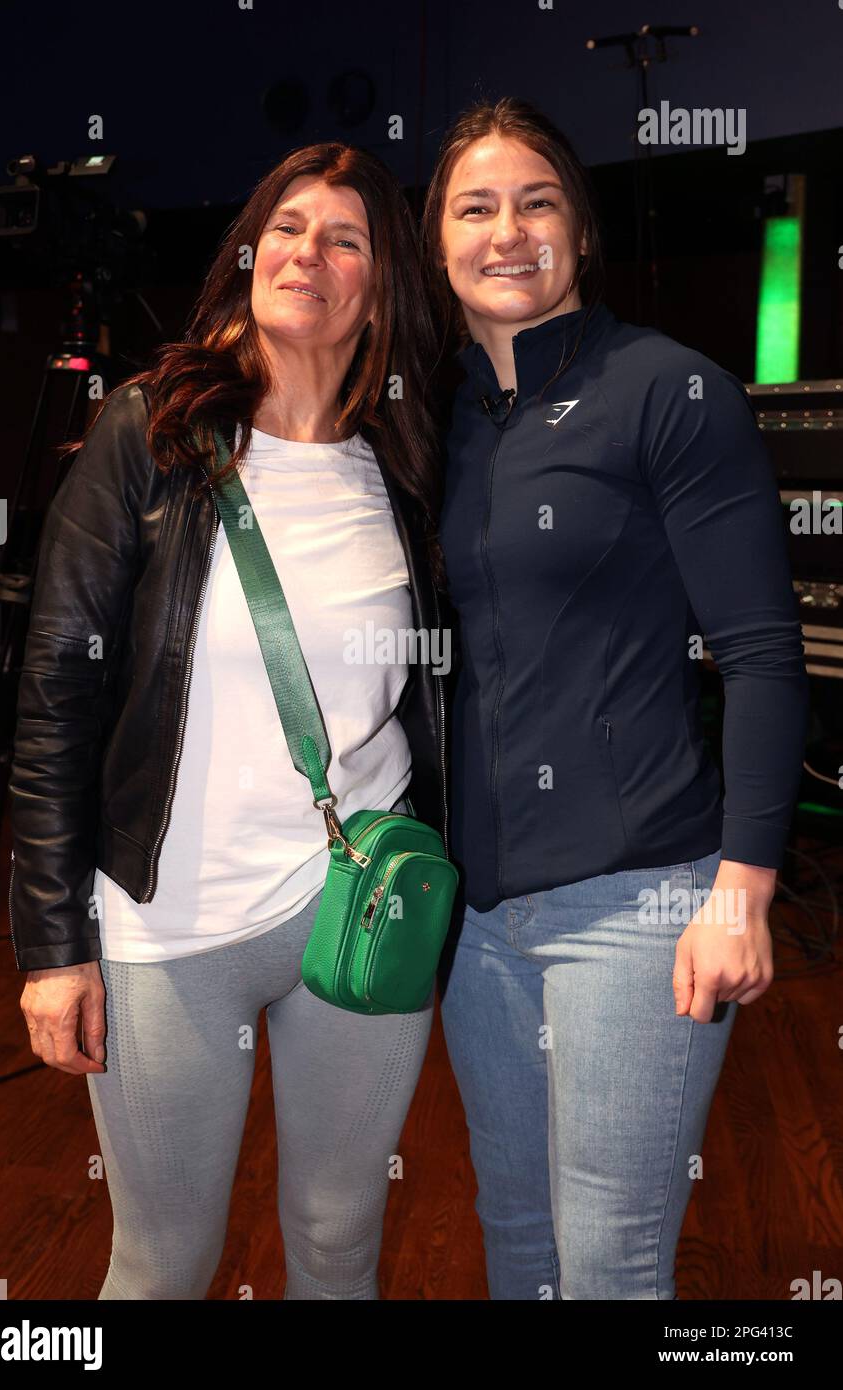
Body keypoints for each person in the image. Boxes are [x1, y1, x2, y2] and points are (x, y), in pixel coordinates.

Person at [9, 141, 449, 1301]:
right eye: (288, 226)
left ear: (380, 286)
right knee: (163, 1264)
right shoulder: (145, 431)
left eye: (346, 237)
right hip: (168, 927)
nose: (309, 251)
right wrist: (53, 946)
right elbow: (57, 692)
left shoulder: (407, 462)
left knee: (339, 1239)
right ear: (249, 253)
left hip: (360, 907)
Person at [421, 98, 810, 1300]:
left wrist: (742, 889)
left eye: (536, 201)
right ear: (436, 243)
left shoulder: (668, 391)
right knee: (516, 1237)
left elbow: (760, 652)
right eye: (474, 207)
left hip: (641, 903)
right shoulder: (433, 422)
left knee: (609, 1263)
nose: (507, 230)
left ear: (579, 232)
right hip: (476, 924)